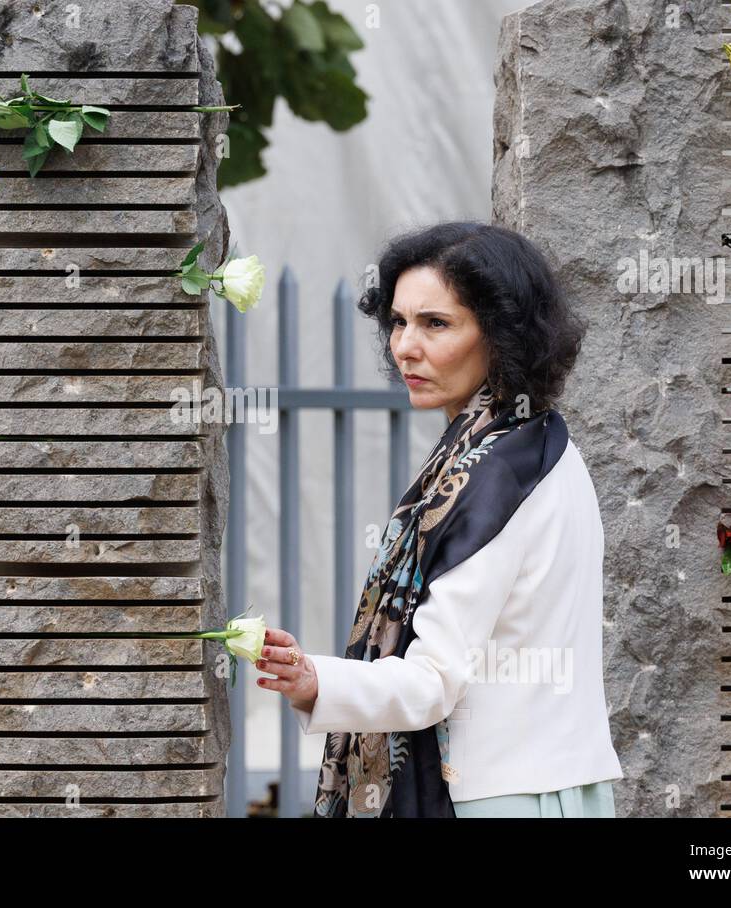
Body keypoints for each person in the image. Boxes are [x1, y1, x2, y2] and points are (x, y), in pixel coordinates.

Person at [255, 221, 624, 817]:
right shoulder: (536, 442)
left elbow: (432, 682)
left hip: (505, 797)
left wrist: (313, 681)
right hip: (547, 785)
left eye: (436, 323)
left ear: (501, 334)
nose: (404, 345)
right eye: (398, 321)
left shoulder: (495, 473)